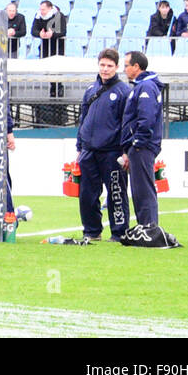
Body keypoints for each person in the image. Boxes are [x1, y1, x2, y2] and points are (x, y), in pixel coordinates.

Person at [76, 49, 129, 242]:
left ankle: (119, 232)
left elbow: (127, 123)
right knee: (87, 194)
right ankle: (91, 231)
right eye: (102, 65)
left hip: (112, 152)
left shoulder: (124, 92)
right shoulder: (91, 89)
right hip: (89, 151)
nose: (105, 69)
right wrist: (79, 147)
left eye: (109, 66)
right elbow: (83, 119)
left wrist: (125, 152)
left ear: (117, 67)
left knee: (116, 193)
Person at [120, 51, 164, 229]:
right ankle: (145, 226)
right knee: (139, 189)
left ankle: (149, 228)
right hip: (140, 146)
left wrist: (137, 142)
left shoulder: (145, 87)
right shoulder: (142, 86)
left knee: (143, 189)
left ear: (136, 67)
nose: (124, 69)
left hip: (142, 147)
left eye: (126, 65)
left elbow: (146, 118)